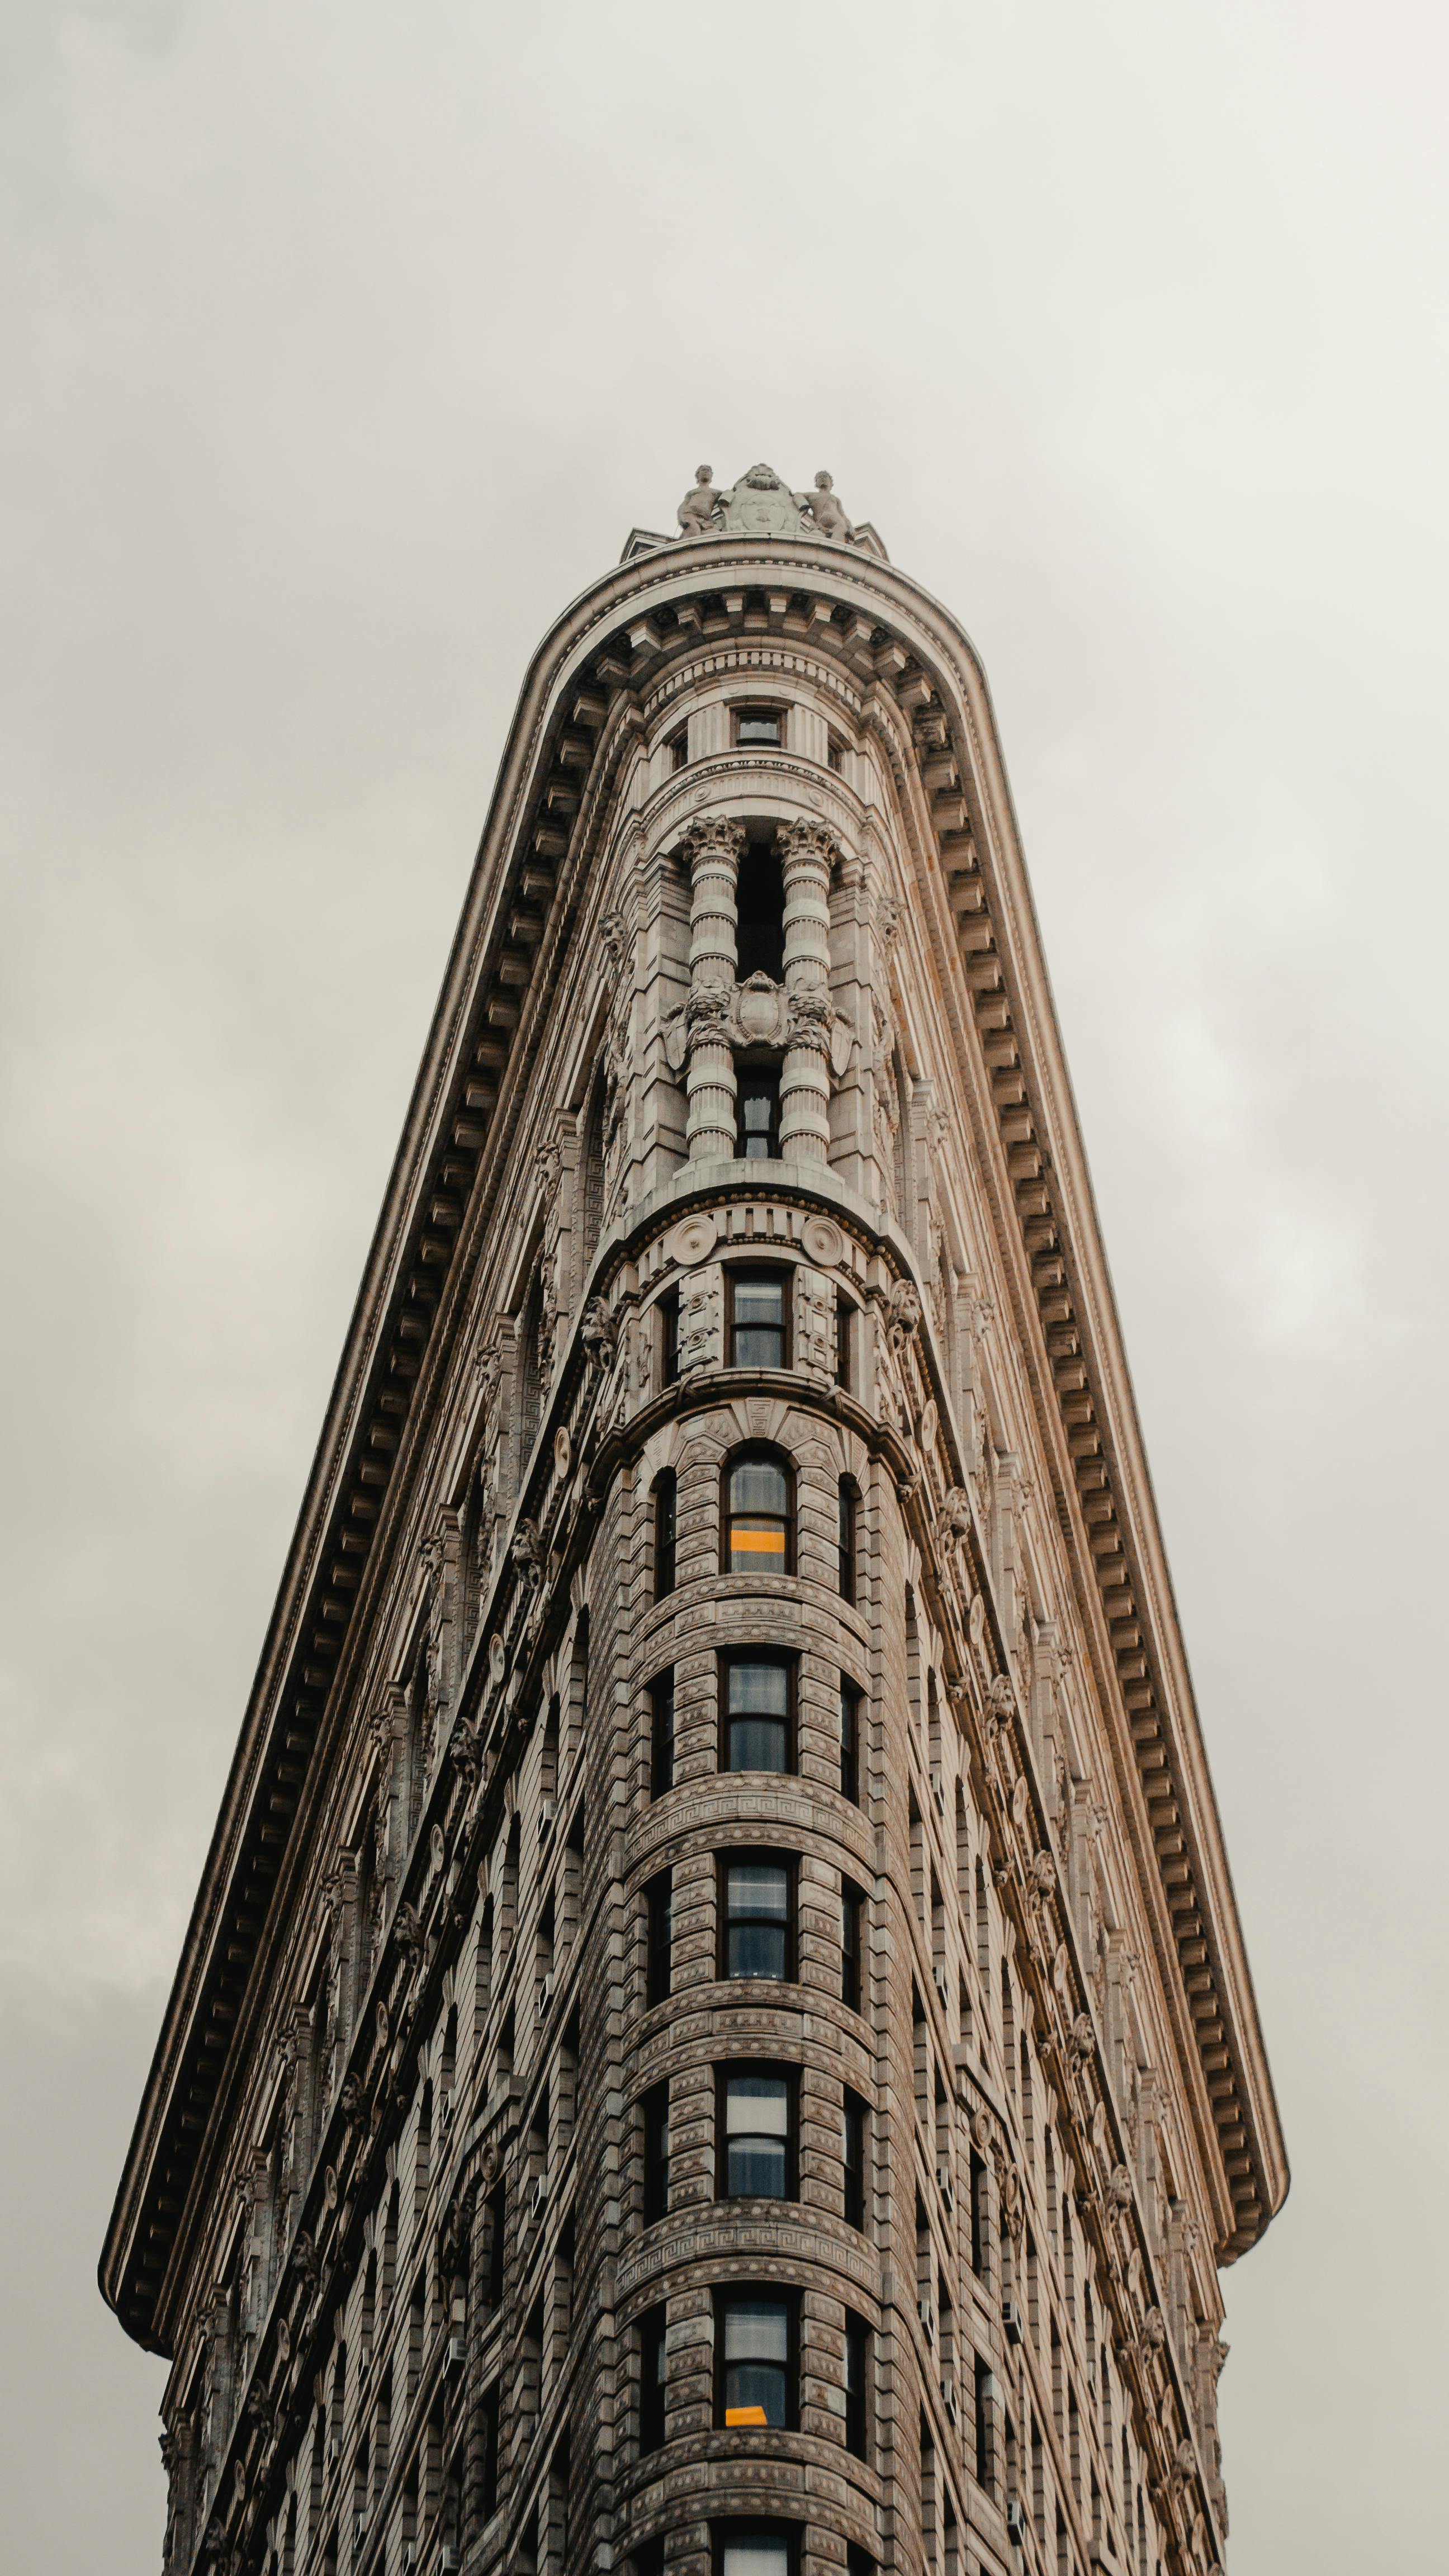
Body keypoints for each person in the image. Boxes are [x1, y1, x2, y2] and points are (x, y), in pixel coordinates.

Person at [676, 465, 719, 541]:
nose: (706, 472)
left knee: (715, 536)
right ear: (698, 475)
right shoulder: (692, 492)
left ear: (711, 475)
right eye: (703, 470)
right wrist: (681, 518)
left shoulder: (716, 493)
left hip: (706, 520)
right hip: (690, 515)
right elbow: (683, 506)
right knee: (695, 536)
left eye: (708, 471)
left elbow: (731, 496)